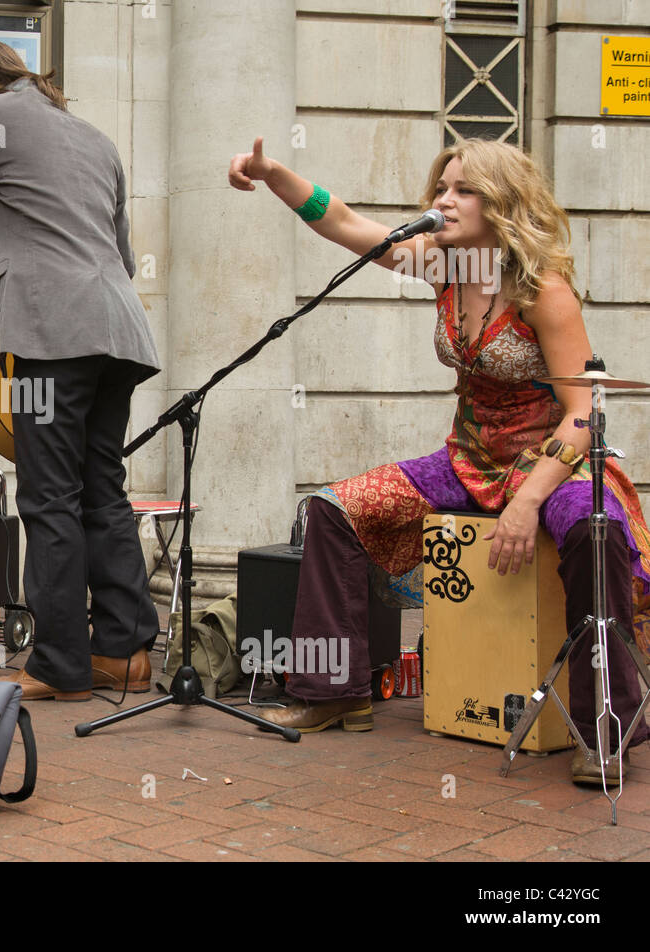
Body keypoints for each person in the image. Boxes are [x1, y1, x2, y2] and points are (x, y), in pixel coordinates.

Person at [228, 136, 650, 784]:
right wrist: (274, 173)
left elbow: (584, 415)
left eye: (464, 191)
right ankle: (334, 689)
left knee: (596, 530)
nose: (444, 201)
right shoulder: (444, 266)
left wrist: (530, 499)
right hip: (469, 458)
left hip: (550, 460)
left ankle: (605, 726)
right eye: (442, 188)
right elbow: (344, 223)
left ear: (503, 203)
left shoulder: (543, 291)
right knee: (332, 511)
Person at [0, 38, 161, 701]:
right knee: (103, 489)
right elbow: (124, 258)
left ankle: (57, 664)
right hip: (119, 335)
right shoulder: (95, 139)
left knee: (48, 496)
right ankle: (126, 651)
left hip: (52, 339)